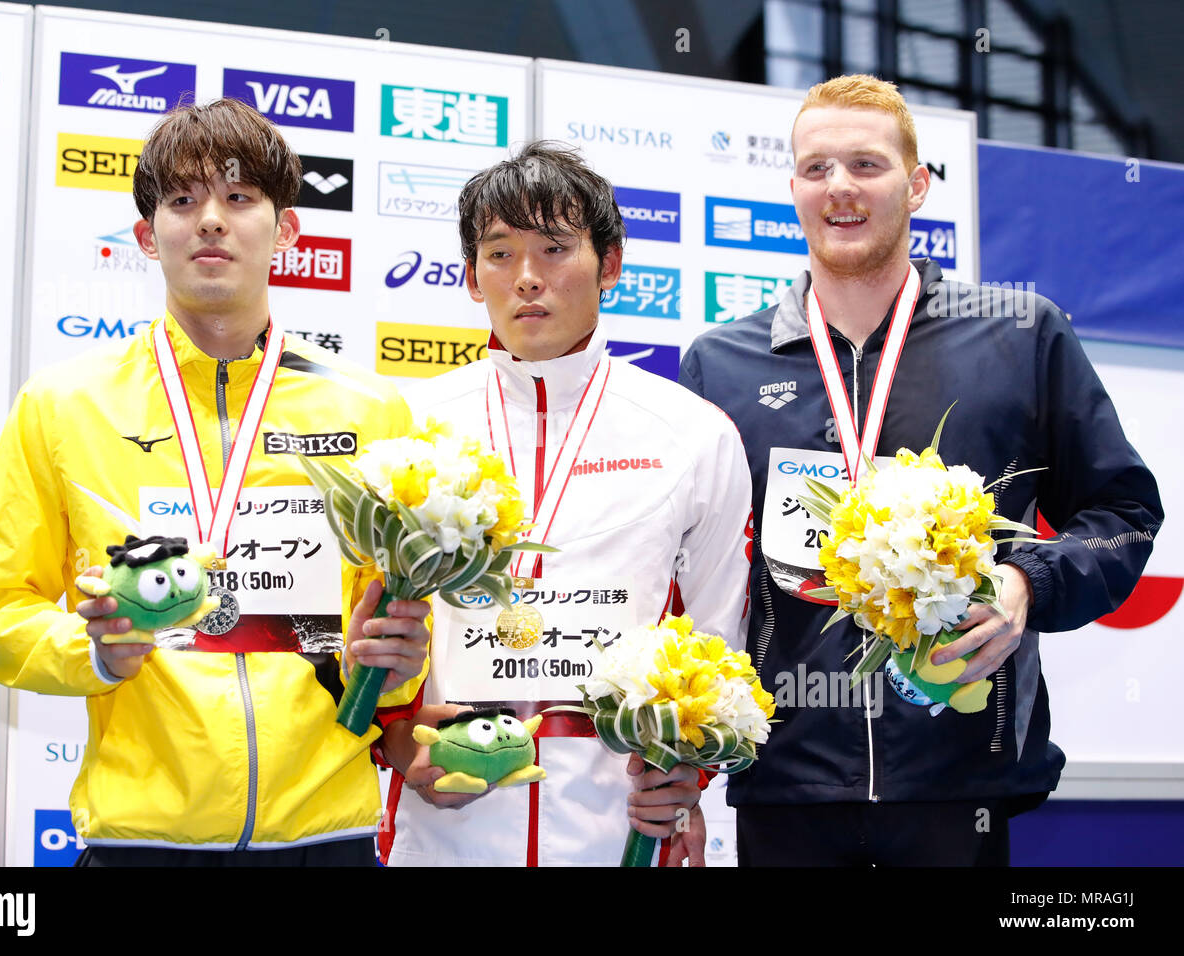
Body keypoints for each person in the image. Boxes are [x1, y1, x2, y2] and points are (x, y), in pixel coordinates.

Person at [680, 74, 1163, 866]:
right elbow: (685, 572)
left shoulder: (1017, 337)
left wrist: (1025, 585)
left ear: (918, 185)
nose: (839, 187)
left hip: (960, 776)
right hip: (786, 780)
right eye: (816, 168)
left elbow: (1123, 515)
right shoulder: (721, 365)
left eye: (866, 165)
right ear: (793, 190)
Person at [0, 98, 430, 866]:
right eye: (182, 200)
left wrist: (405, 660)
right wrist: (93, 652)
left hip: (326, 834)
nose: (211, 220)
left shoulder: (369, 408)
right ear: (147, 235)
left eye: (239, 198)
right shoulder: (65, 403)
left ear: (288, 229)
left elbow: (399, 615)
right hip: (142, 840)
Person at [376, 141, 755, 867]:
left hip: (617, 828)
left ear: (610, 265)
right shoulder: (408, 425)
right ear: (469, 275)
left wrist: (692, 769)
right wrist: (396, 738)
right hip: (444, 829)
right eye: (499, 253)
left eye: (554, 248)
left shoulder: (692, 433)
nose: (526, 279)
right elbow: (361, 629)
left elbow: (718, 644)